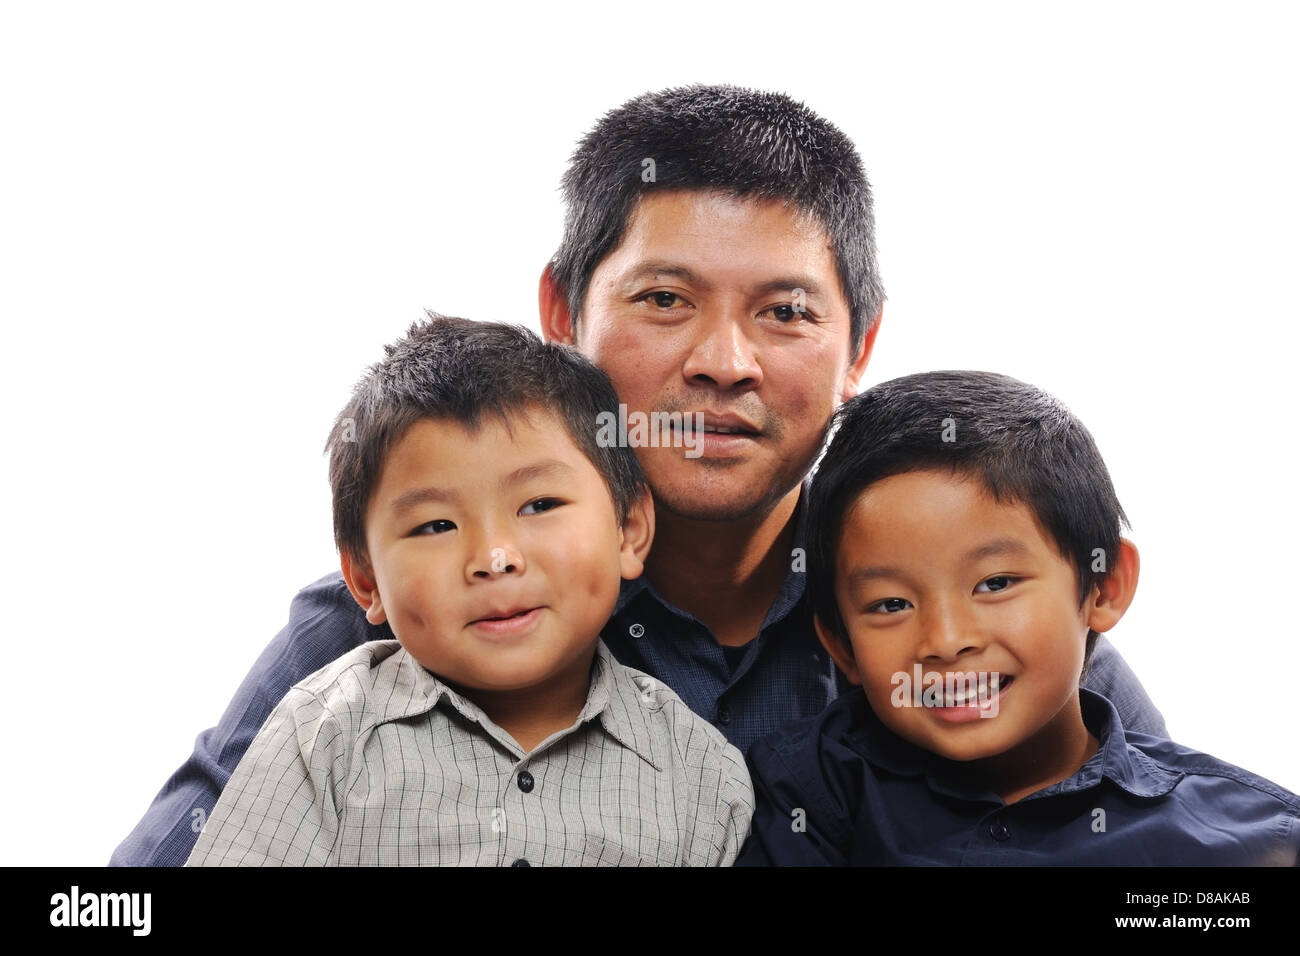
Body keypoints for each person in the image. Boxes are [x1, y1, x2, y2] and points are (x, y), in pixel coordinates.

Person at [111, 85, 1165, 866]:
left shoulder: (991, 627)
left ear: (860, 347)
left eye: (786, 311)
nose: (724, 360)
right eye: (665, 298)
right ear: (563, 317)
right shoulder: (389, 625)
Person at [187, 316, 752, 866]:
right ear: (364, 578)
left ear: (628, 529)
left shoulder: (699, 772)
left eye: (539, 505)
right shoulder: (322, 735)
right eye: (435, 526)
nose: (493, 558)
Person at [735, 371, 1300, 865]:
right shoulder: (810, 790)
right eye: (892, 605)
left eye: (996, 584)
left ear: (1103, 586)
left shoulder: (1250, 842)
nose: (947, 641)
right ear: (840, 645)